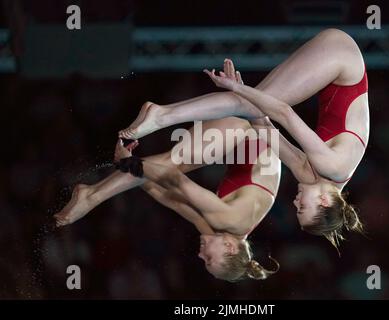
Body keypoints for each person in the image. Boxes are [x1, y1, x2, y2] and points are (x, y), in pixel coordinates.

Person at [118, 28, 368, 249]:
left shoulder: (310, 176)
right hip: (342, 58)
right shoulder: (333, 168)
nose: (295, 202)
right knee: (248, 105)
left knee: (248, 108)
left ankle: (162, 114)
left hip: (334, 76)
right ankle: (162, 115)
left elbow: (265, 128)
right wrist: (239, 90)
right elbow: (284, 113)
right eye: (302, 207)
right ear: (324, 201)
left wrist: (242, 92)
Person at [54, 115, 282, 282]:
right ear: (231, 248)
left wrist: (136, 170)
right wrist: (131, 165)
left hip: (239, 144)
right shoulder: (231, 220)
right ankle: (92, 196)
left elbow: (168, 197)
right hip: (244, 132)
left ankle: (92, 194)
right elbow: (176, 181)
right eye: (209, 259)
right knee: (173, 164)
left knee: (162, 167)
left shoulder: (220, 230)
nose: (200, 254)